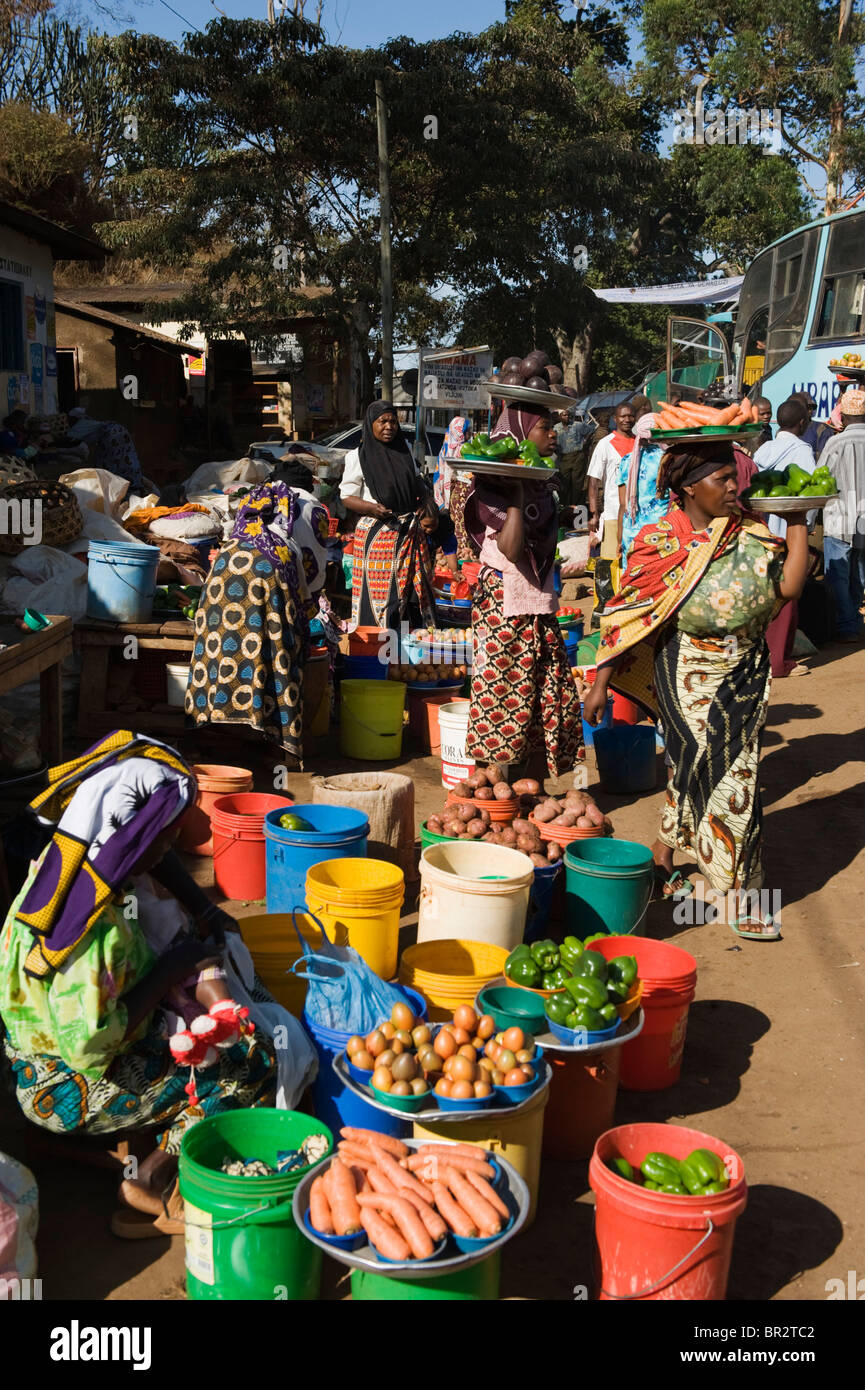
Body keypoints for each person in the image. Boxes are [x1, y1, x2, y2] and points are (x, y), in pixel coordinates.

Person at [0, 734, 276, 1237]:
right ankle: (151, 1179)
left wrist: (202, 909)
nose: (172, 848)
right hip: (67, 1084)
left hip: (34, 1055)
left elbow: (147, 847)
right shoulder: (88, 931)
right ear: (137, 839)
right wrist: (173, 970)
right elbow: (91, 1045)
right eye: (165, 839)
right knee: (251, 1062)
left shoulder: (65, 868)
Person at [583, 440, 810, 938]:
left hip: (746, 670)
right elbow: (625, 611)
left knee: (701, 767)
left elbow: (788, 589)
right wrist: (601, 683)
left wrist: (797, 520)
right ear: (690, 488)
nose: (735, 487)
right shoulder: (659, 541)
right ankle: (741, 893)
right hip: (686, 668)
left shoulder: (750, 531)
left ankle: (664, 855)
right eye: (722, 480)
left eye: (736, 478)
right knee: (732, 780)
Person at [463, 405, 582, 782]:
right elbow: (513, 550)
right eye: (544, 428)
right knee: (503, 688)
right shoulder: (492, 488)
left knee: (547, 688)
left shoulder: (544, 486)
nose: (553, 435)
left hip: (539, 603)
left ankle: (533, 784)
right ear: (519, 435)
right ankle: (494, 782)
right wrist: (515, 487)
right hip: (503, 605)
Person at [186, 479, 330, 761]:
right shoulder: (302, 523)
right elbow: (310, 585)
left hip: (223, 569)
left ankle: (209, 725)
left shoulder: (235, 538)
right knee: (277, 650)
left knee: (218, 648)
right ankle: (273, 736)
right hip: (269, 572)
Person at [339, 401, 439, 631]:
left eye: (392, 421)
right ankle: (377, 645)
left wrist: (425, 499)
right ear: (370, 424)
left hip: (407, 533)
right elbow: (346, 496)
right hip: (377, 535)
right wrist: (372, 508)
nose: (388, 426)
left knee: (413, 592)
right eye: (382, 421)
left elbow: (416, 482)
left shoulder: (404, 450)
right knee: (381, 596)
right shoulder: (357, 457)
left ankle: (408, 644)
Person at [754, 398, 817, 676]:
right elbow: (812, 494)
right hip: (791, 532)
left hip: (761, 532)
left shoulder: (763, 450)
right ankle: (779, 660)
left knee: (765, 593)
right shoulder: (803, 451)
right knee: (787, 595)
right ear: (802, 423)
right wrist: (808, 527)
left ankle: (765, 655)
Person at [819, 387, 865, 641]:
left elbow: (820, 480)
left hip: (839, 518)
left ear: (844, 417)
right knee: (859, 573)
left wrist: (808, 519)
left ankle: (846, 625)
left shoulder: (835, 442)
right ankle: (854, 621)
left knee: (838, 575)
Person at [617, 408, 669, 568]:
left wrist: (619, 539)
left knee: (633, 581)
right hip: (659, 530)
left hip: (631, 532)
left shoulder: (627, 461)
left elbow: (623, 505)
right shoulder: (667, 459)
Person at [587, 401, 635, 551]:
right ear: (615, 419)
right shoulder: (605, 444)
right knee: (612, 560)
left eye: (631, 416)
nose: (627, 420)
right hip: (613, 512)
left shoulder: (639, 443)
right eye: (623, 416)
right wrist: (594, 513)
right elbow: (593, 480)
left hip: (637, 515)